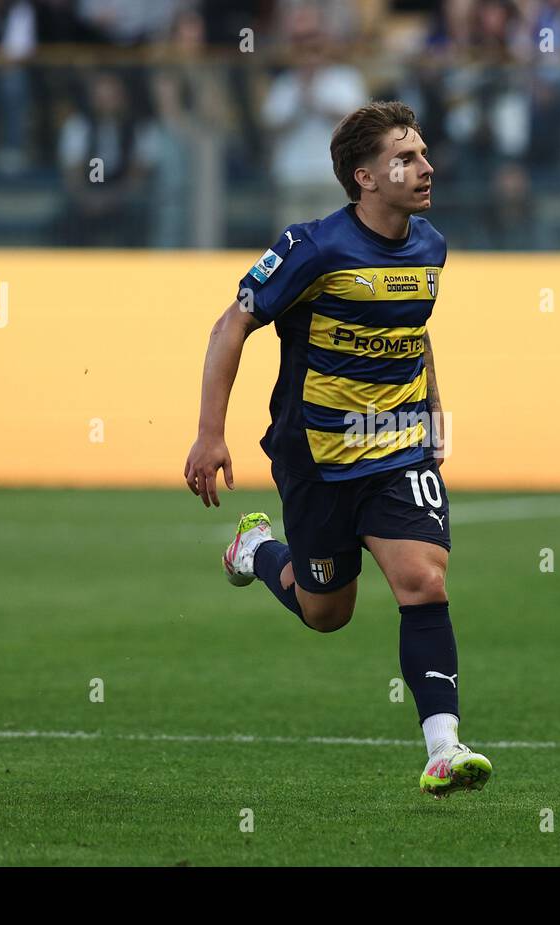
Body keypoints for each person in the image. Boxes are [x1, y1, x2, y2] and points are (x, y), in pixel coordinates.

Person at [183, 101, 491, 798]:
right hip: (316, 455)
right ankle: (256, 552)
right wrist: (210, 433)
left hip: (401, 447)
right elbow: (230, 327)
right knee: (327, 612)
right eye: (405, 158)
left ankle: (443, 745)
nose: (425, 167)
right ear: (365, 177)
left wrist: (434, 412)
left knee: (424, 581)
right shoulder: (311, 249)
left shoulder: (431, 247)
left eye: (423, 154)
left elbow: (413, 335)